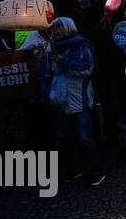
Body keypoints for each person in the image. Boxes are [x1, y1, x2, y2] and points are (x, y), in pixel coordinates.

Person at [40, 17, 104, 186]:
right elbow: (45, 73)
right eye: (53, 27)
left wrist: (63, 61)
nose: (55, 30)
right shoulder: (49, 48)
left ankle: (95, 170)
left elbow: (87, 68)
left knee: (84, 137)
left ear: (69, 28)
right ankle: (73, 169)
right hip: (58, 98)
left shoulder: (81, 46)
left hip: (79, 98)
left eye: (59, 27)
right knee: (63, 138)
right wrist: (46, 92)